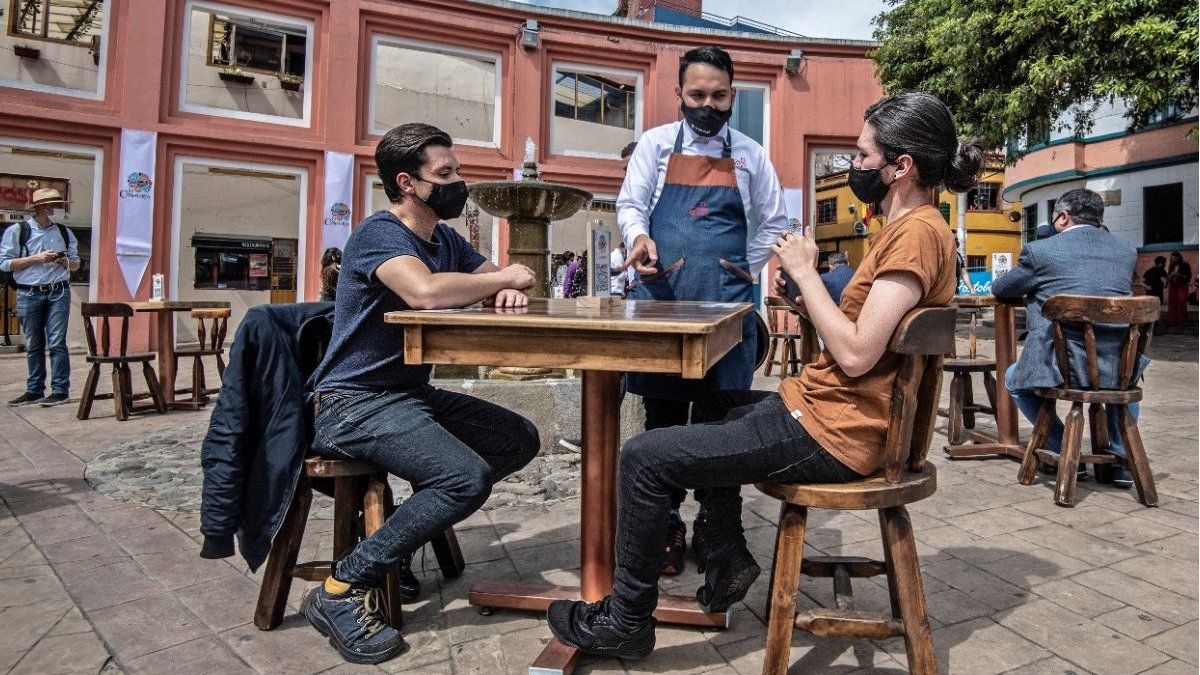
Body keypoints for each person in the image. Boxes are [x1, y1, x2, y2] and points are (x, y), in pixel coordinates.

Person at [547, 92, 983, 659]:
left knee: (645, 457)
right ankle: (727, 554)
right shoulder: (911, 230)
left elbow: (854, 356)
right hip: (832, 412)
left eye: (861, 155)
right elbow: (865, 334)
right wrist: (807, 302)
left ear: (902, 168)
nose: (852, 167)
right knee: (720, 404)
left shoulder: (917, 234)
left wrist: (802, 269)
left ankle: (626, 618)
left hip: (838, 429)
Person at [303, 123, 540, 665]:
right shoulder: (379, 235)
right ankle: (339, 591)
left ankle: (396, 543)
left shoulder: (445, 237)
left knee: (516, 438)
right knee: (463, 478)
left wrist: (500, 285)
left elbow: (487, 279)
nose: (459, 182)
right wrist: (506, 277)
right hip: (353, 403)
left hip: (407, 394)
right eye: (446, 174)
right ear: (408, 183)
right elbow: (427, 292)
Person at [617, 46, 791, 575]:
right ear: (679, 96)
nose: (708, 105)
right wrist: (641, 237)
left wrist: (747, 264)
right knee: (663, 415)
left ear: (732, 96)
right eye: (697, 95)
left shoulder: (750, 154)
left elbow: (776, 220)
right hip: (663, 297)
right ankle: (664, 526)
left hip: (728, 300)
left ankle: (718, 529)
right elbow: (630, 204)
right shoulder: (653, 145)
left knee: (722, 419)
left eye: (718, 96)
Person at [992, 189, 1143, 489]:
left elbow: (1002, 288)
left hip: (1063, 370)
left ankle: (1063, 448)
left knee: (1013, 378)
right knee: (1122, 385)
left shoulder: (1041, 252)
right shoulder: (1126, 251)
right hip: (1120, 366)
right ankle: (1121, 457)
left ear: (1063, 217)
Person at [0, 188, 79, 407]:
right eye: (55, 205)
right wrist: (37, 258)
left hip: (58, 291)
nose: (58, 209)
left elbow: (75, 264)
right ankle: (34, 389)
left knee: (56, 342)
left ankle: (60, 390)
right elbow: (5, 263)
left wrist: (63, 262)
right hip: (29, 291)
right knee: (34, 343)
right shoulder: (18, 231)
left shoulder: (64, 232)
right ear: (43, 207)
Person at [1166, 250, 1191, 327]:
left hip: (1182, 285)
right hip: (1173, 286)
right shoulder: (1171, 266)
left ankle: (1182, 322)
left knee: (1181, 303)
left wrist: (1178, 275)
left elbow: (1188, 277)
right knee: (1172, 303)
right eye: (1172, 258)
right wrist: (1170, 277)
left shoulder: (1185, 265)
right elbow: (1169, 276)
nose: (1173, 259)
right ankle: (1173, 321)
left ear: (1179, 258)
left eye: (1175, 258)